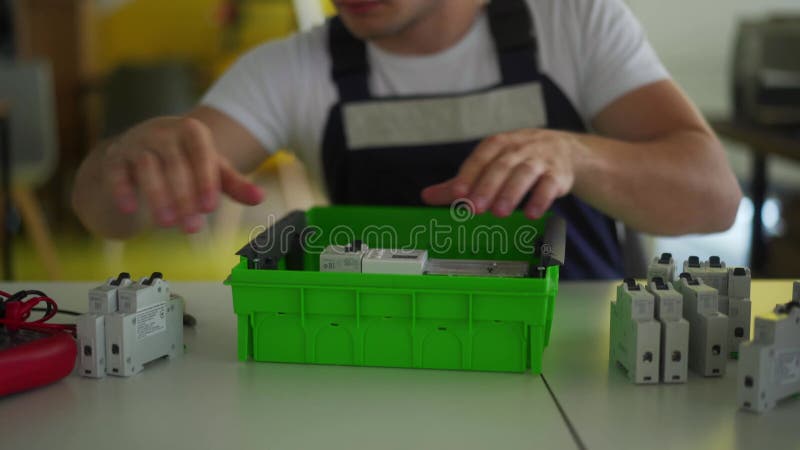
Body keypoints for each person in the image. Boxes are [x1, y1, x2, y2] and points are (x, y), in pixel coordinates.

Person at [72, 0, 742, 279]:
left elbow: (713, 198)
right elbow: (103, 209)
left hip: (572, 364)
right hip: (385, 360)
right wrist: (124, 161)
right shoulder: (291, 68)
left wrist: (575, 153)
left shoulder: (574, 23)